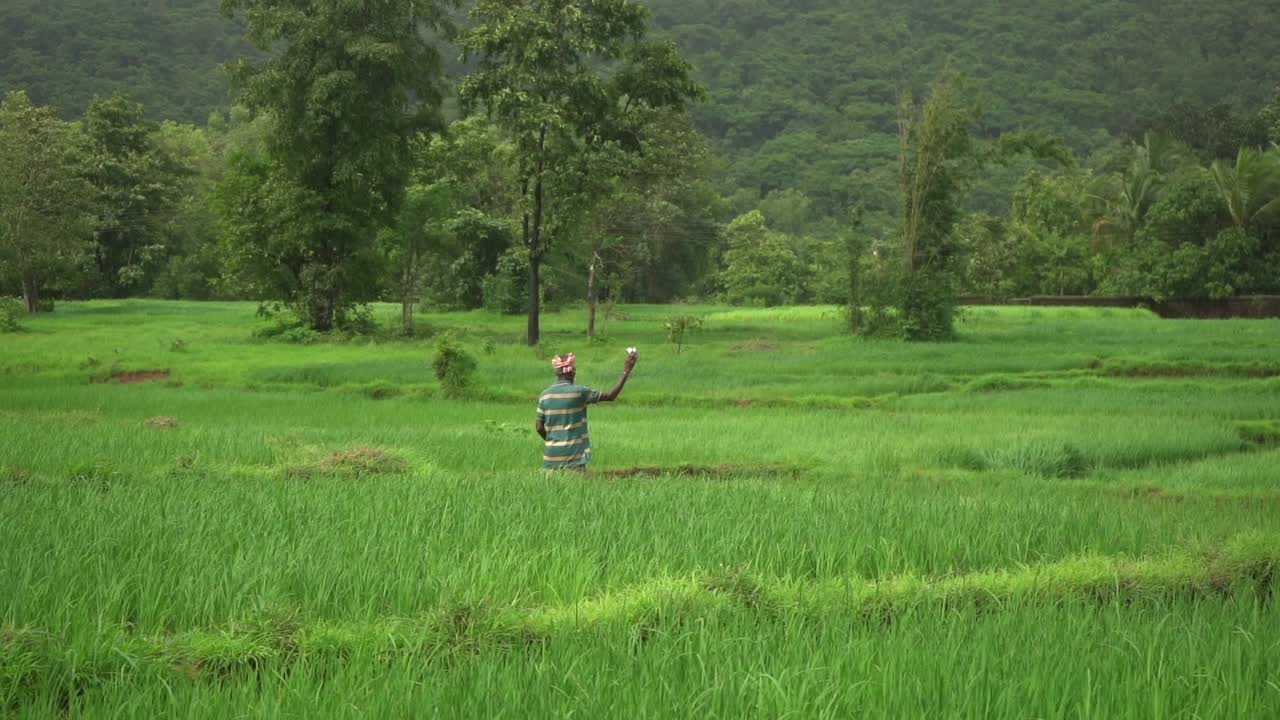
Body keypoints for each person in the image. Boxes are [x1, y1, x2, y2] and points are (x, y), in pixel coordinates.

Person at [536, 350, 637, 470]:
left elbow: (539, 427)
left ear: (557, 373)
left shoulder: (545, 395)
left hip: (550, 459)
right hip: (573, 460)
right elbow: (611, 396)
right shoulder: (580, 392)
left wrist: (555, 440)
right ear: (572, 373)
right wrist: (626, 371)